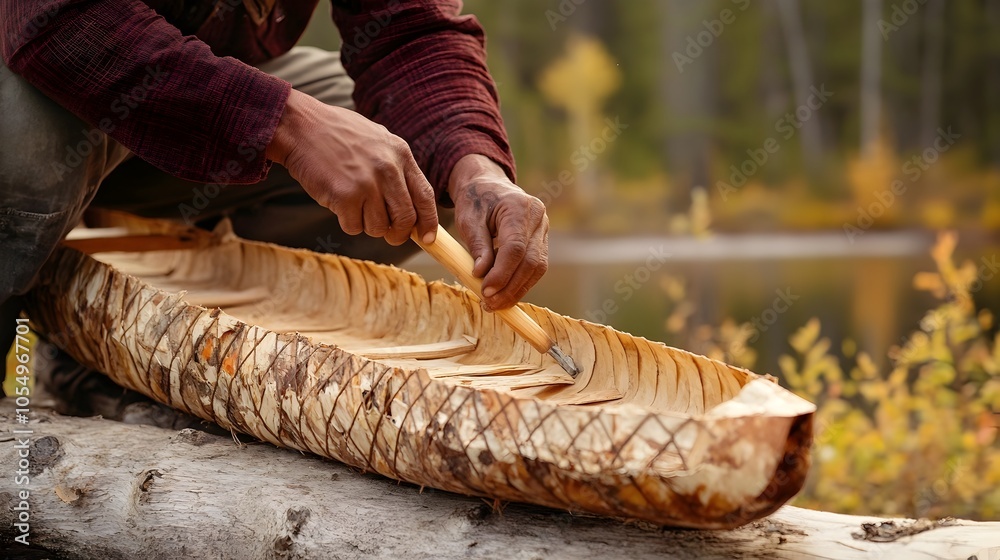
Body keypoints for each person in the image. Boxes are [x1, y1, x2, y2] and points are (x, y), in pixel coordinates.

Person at [0, 0, 551, 368]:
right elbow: (55, 18)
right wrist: (286, 124)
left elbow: (411, 29)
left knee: (408, 160)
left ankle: (123, 361)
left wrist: (477, 168)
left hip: (186, 116)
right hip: (48, 79)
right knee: (20, 139)